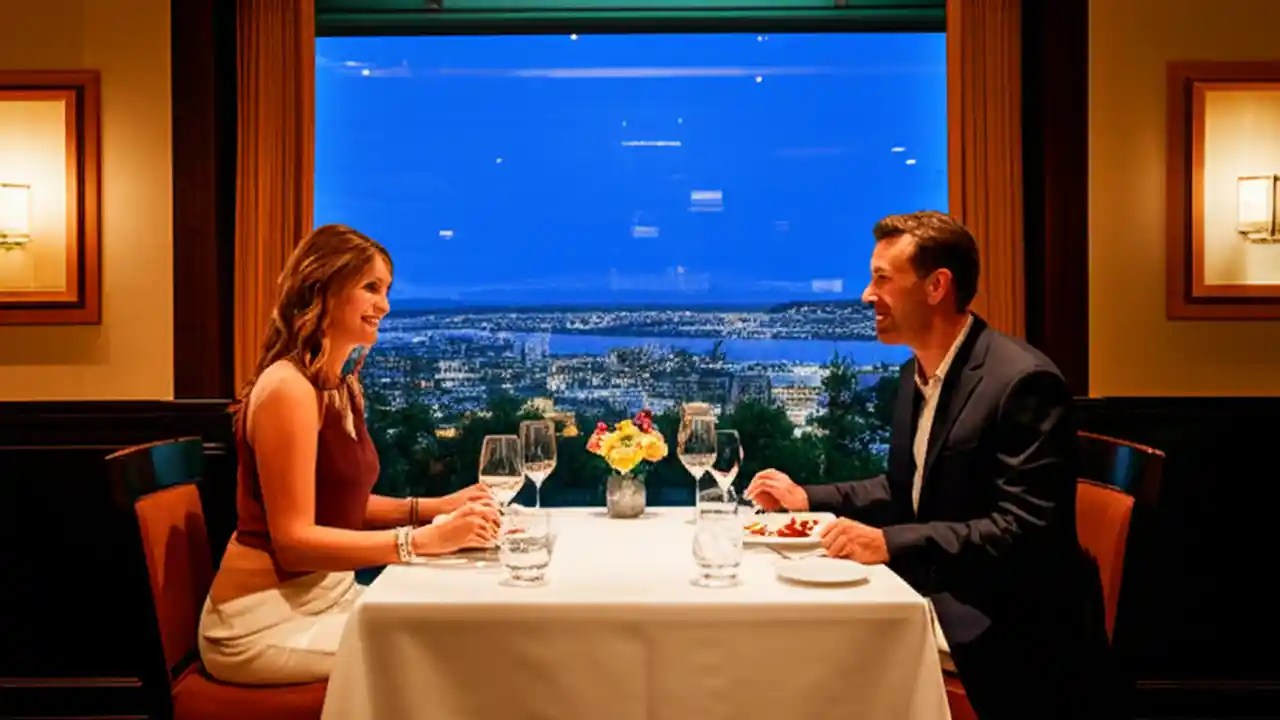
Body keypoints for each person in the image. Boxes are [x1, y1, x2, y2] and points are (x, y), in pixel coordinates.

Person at [746, 211, 1111, 718]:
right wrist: (808, 498)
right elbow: (907, 487)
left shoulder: (1022, 382)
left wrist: (889, 542)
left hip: (1002, 624)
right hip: (943, 593)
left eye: (882, 279)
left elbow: (1023, 530)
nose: (866, 296)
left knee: (814, 656)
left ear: (937, 285)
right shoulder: (916, 374)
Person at [199, 224, 502, 686]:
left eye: (386, 290)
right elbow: (295, 542)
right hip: (263, 623)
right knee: (452, 653)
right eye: (371, 288)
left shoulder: (341, 388)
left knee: (464, 625)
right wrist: (420, 541)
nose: (385, 305)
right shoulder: (287, 388)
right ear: (322, 289)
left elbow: (339, 507)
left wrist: (435, 509)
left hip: (330, 597)